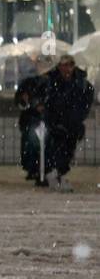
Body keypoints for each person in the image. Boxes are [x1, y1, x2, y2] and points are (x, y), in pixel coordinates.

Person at [41, 54, 95, 192]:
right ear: (59, 67)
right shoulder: (52, 82)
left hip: (72, 123)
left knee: (67, 149)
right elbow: (49, 103)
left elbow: (85, 104)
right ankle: (59, 173)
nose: (67, 69)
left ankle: (57, 173)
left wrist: (75, 118)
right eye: (64, 65)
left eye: (70, 65)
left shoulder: (81, 84)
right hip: (56, 122)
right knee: (59, 148)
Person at [15, 71, 49, 184]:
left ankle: (40, 170)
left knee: (41, 146)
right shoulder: (28, 82)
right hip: (31, 119)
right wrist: (26, 102)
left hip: (44, 119)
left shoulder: (52, 82)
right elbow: (19, 101)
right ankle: (34, 169)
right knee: (31, 145)